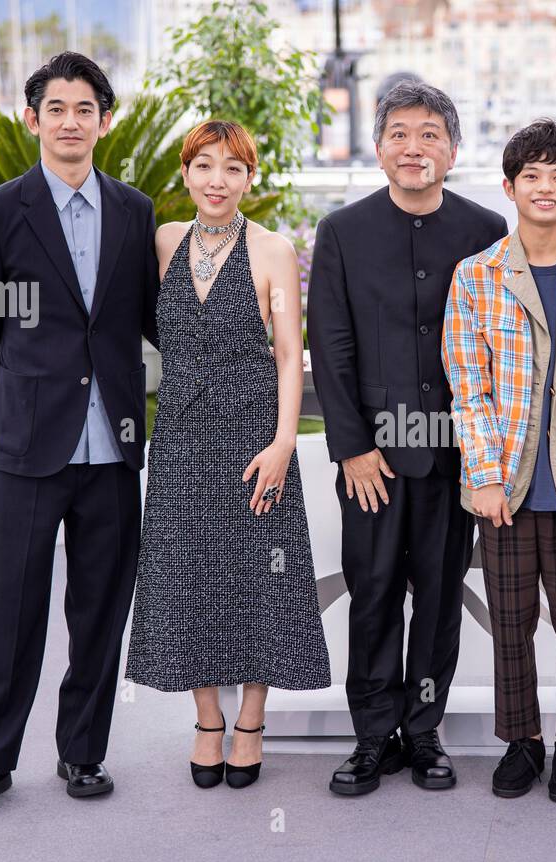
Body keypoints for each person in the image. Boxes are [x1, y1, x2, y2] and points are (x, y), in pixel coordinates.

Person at [0, 52, 159, 814]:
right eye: (57, 108)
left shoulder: (135, 211)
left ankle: (83, 753)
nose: (72, 121)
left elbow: (146, 319)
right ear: (32, 119)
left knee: (101, 605)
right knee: (10, 604)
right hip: (29, 446)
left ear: (106, 120)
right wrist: (8, 417)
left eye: (86, 108)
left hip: (112, 448)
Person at [309, 81, 506, 795]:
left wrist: (486, 454)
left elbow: (498, 347)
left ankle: (423, 732)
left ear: (452, 149)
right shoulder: (341, 231)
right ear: (379, 145)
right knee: (373, 591)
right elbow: (329, 347)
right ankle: (370, 737)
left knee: (440, 595)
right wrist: (353, 446)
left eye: (429, 134)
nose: (413, 146)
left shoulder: (487, 230)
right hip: (372, 459)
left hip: (456, 459)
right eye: (399, 132)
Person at [124, 120, 330, 789]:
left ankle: (252, 720)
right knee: (189, 581)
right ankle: (207, 720)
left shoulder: (273, 248)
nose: (218, 180)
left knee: (258, 580)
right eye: (206, 165)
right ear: (186, 173)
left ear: (249, 179)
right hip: (181, 438)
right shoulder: (162, 241)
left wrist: (282, 445)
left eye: (233, 168)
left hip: (253, 438)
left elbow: (290, 357)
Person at [442, 118, 556, 803]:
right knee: (510, 623)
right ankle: (521, 742)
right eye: (532, 177)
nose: (545, 188)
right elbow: (470, 387)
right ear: (509, 187)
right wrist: (485, 475)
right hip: (507, 492)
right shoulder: (477, 278)